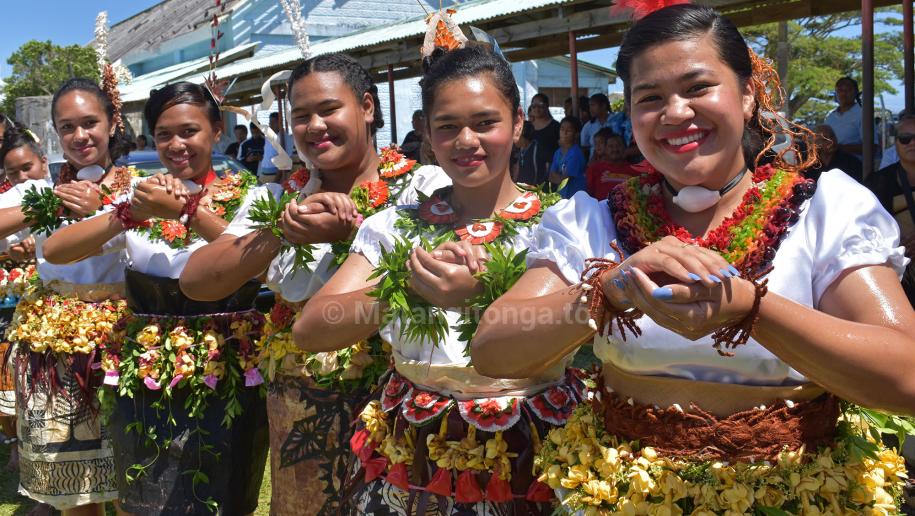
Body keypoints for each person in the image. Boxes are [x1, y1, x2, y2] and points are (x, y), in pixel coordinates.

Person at [471, 5, 914, 514]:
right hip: (620, 497)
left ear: (749, 95)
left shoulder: (825, 210)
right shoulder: (591, 222)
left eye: (698, 87)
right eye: (650, 98)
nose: (675, 112)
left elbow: (906, 377)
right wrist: (607, 292)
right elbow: (493, 350)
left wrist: (751, 309)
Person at [292, 40, 581, 514]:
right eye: (448, 127)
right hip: (415, 446)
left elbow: (584, 314)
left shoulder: (563, 223)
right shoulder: (393, 227)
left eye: (485, 122)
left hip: (536, 447)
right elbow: (313, 328)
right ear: (426, 131)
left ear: (518, 122)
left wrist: (486, 295)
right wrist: (406, 286)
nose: (466, 141)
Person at [179, 53, 449, 514]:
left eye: (329, 109)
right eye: (301, 116)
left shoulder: (424, 189)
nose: (314, 126)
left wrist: (357, 232)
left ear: (366, 107)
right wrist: (280, 233)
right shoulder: (279, 200)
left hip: (397, 395)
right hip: (301, 403)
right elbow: (198, 282)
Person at [42, 82, 269, 515]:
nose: (176, 145)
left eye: (189, 131)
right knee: (146, 493)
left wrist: (188, 211)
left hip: (228, 371)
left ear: (217, 131)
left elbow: (256, 264)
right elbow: (56, 251)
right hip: (145, 373)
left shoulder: (257, 198)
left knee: (225, 490)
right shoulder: (138, 196)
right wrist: (128, 213)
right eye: (164, 134)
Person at [0, 77, 134, 515]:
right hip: (55, 348)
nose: (80, 136)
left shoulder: (141, 190)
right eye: (67, 127)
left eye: (90, 122)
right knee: (75, 488)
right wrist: (55, 204)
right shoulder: (40, 191)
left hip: (125, 342)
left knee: (132, 475)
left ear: (113, 122)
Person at [586, 128, 642, 199]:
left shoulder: (636, 170)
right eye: (611, 146)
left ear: (625, 148)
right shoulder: (594, 169)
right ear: (605, 149)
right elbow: (588, 195)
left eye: (618, 146)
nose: (615, 149)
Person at [825, 76, 867, 162]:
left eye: (848, 90)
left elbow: (871, 147)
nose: (844, 93)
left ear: (856, 93)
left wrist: (838, 148)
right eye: (840, 90)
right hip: (831, 165)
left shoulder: (863, 114)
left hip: (853, 166)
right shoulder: (830, 116)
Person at [550, 116, 586, 198]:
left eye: (569, 130)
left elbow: (565, 180)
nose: (564, 133)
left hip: (575, 199)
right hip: (561, 197)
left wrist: (558, 176)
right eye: (562, 129)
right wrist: (559, 177)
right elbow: (551, 176)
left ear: (576, 134)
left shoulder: (576, 153)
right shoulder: (558, 152)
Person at [529, 92, 560, 182]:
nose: (537, 108)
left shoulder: (556, 126)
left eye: (540, 105)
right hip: (530, 173)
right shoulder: (528, 127)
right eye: (534, 106)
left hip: (549, 174)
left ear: (547, 106)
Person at [259, 111, 296, 183]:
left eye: (273, 122)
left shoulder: (285, 138)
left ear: (280, 123)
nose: (271, 125)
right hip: (264, 175)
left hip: (275, 177)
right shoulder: (269, 137)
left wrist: (275, 181)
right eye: (270, 122)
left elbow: (284, 161)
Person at [514, 120, 548, 186]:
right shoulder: (521, 149)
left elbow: (545, 170)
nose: (513, 139)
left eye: (516, 135)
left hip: (535, 189)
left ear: (523, 135)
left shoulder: (537, 149)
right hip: (523, 188)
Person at [580, 92, 613, 157]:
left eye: (593, 105)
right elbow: (584, 148)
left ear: (603, 106)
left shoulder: (616, 121)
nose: (590, 109)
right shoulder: (588, 126)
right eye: (589, 106)